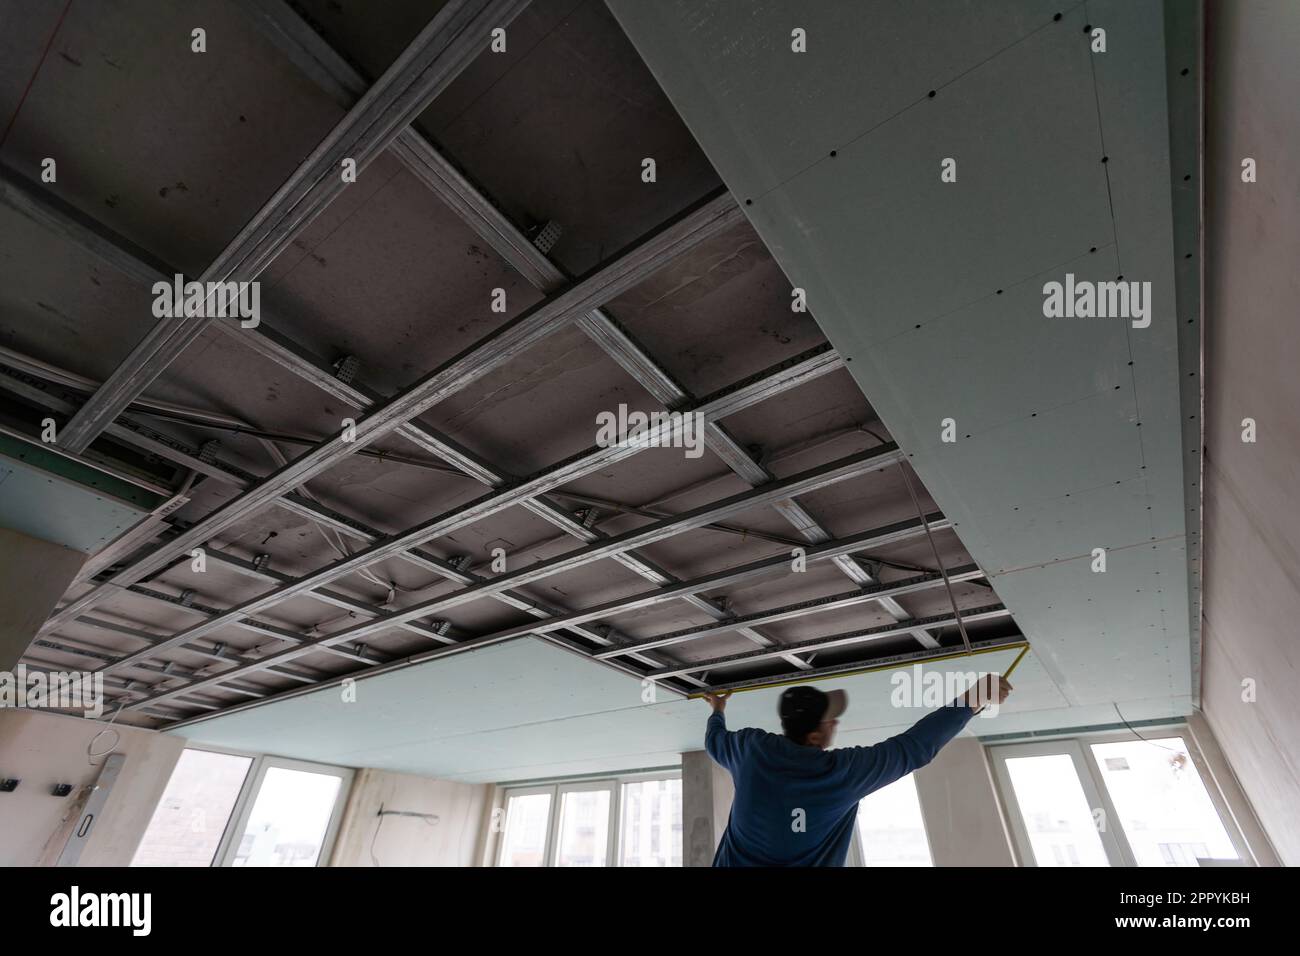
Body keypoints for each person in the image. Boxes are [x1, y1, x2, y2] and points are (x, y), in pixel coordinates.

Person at [703, 674, 1012, 866]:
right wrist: (974, 699)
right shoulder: (843, 773)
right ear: (814, 736)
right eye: (829, 720)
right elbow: (913, 747)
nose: (835, 723)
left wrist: (717, 710)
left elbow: (714, 740)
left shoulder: (750, 749)